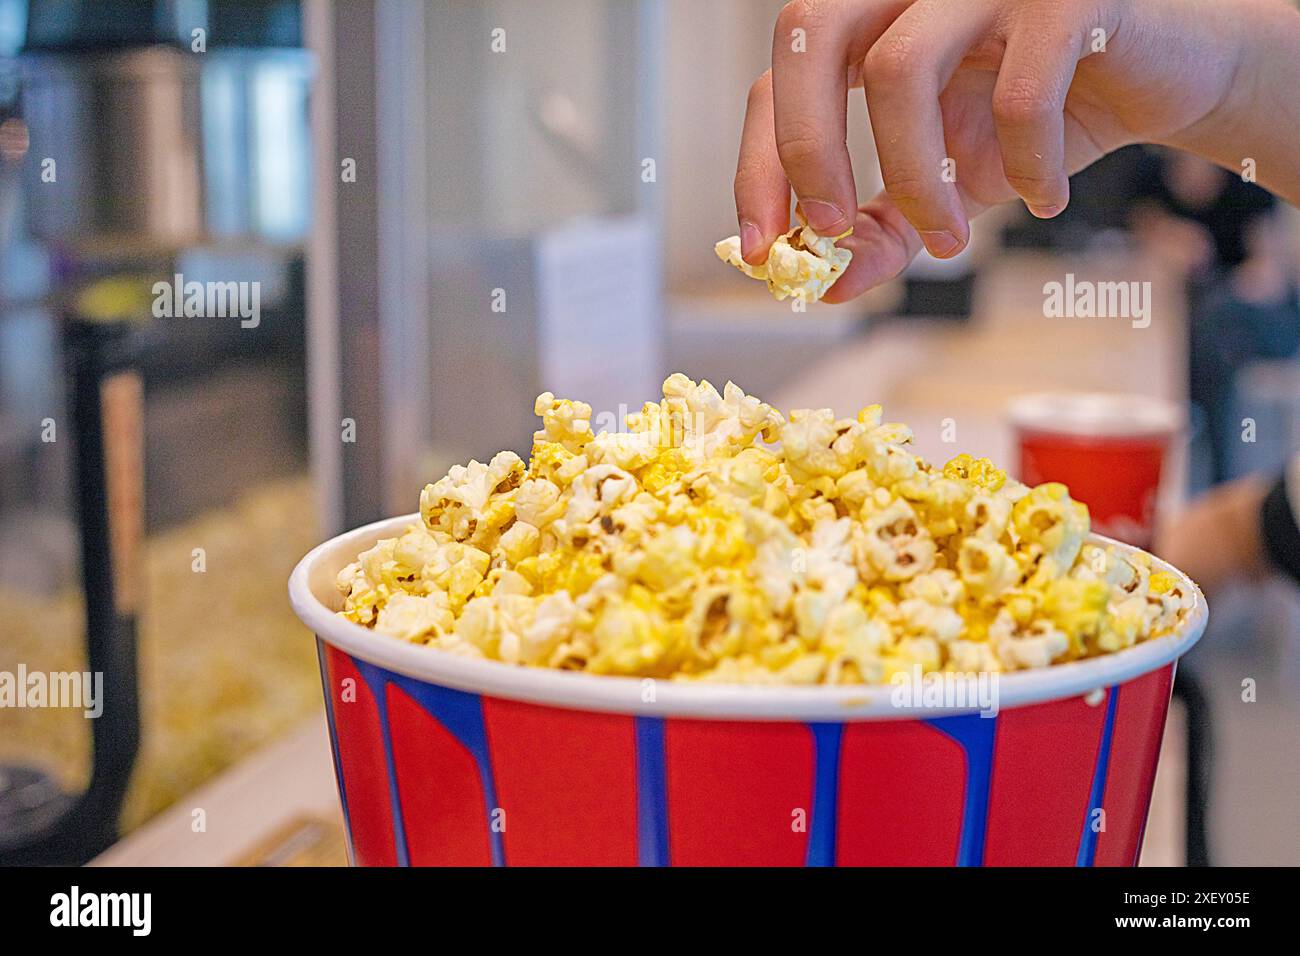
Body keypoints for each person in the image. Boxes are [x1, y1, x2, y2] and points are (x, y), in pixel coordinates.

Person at [731, 0, 1300, 592]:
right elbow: (1248, 537)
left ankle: (1215, 436)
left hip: (1239, 314)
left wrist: (1227, 73)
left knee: (1215, 342)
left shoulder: (1244, 192)